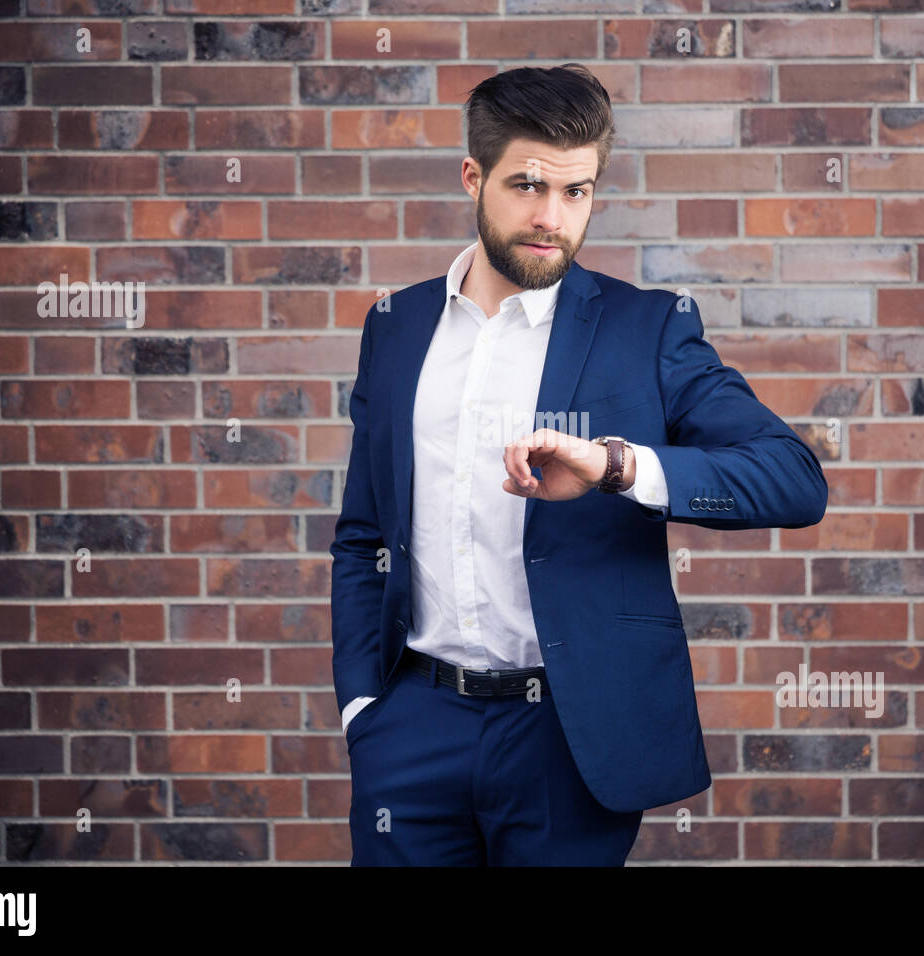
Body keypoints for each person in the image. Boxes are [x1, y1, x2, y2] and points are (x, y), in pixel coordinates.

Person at [329, 63, 829, 866]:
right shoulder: (396, 327)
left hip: (570, 736)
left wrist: (616, 467)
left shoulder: (648, 330)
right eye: (527, 186)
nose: (550, 217)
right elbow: (361, 534)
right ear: (472, 177)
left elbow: (794, 480)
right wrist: (363, 706)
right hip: (411, 728)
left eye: (575, 193)